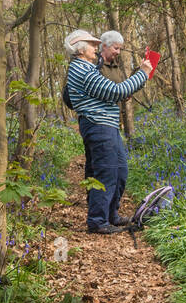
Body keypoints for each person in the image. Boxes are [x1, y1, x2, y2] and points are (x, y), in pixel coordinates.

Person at [63, 29, 152, 234]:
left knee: (120, 170)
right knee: (106, 172)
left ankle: (110, 214)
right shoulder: (82, 69)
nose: (96, 47)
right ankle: (97, 221)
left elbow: (109, 92)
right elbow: (116, 91)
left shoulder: (87, 67)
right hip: (98, 126)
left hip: (107, 125)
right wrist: (143, 74)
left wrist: (122, 91)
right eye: (92, 44)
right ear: (81, 49)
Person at [96, 30, 132, 136]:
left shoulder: (116, 67)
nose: (118, 52)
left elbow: (120, 90)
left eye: (119, 49)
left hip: (115, 120)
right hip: (101, 122)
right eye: (116, 48)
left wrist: (125, 94)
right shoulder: (95, 66)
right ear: (104, 46)